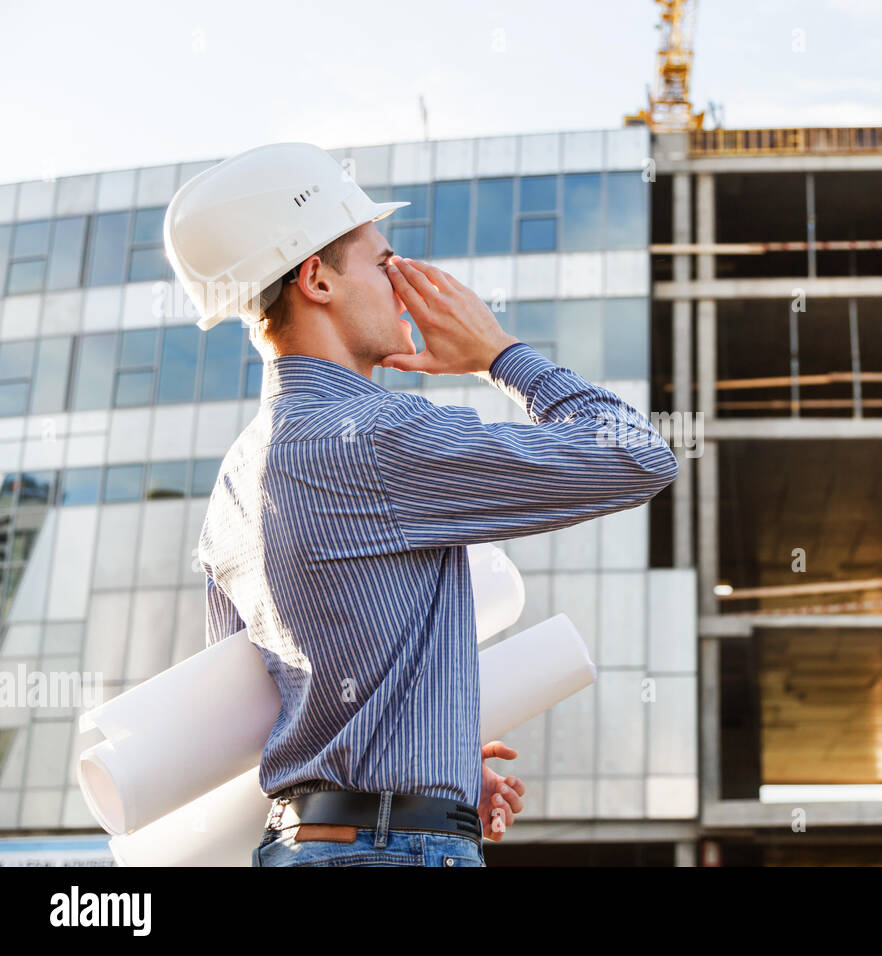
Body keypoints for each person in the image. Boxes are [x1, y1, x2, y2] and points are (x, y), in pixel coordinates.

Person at [163, 143, 678, 867]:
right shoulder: (374, 435)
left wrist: (423, 763)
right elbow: (636, 454)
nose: (404, 288)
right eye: (384, 264)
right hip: (390, 851)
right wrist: (500, 352)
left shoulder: (237, 477)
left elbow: (256, 702)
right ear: (316, 279)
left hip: (306, 845)